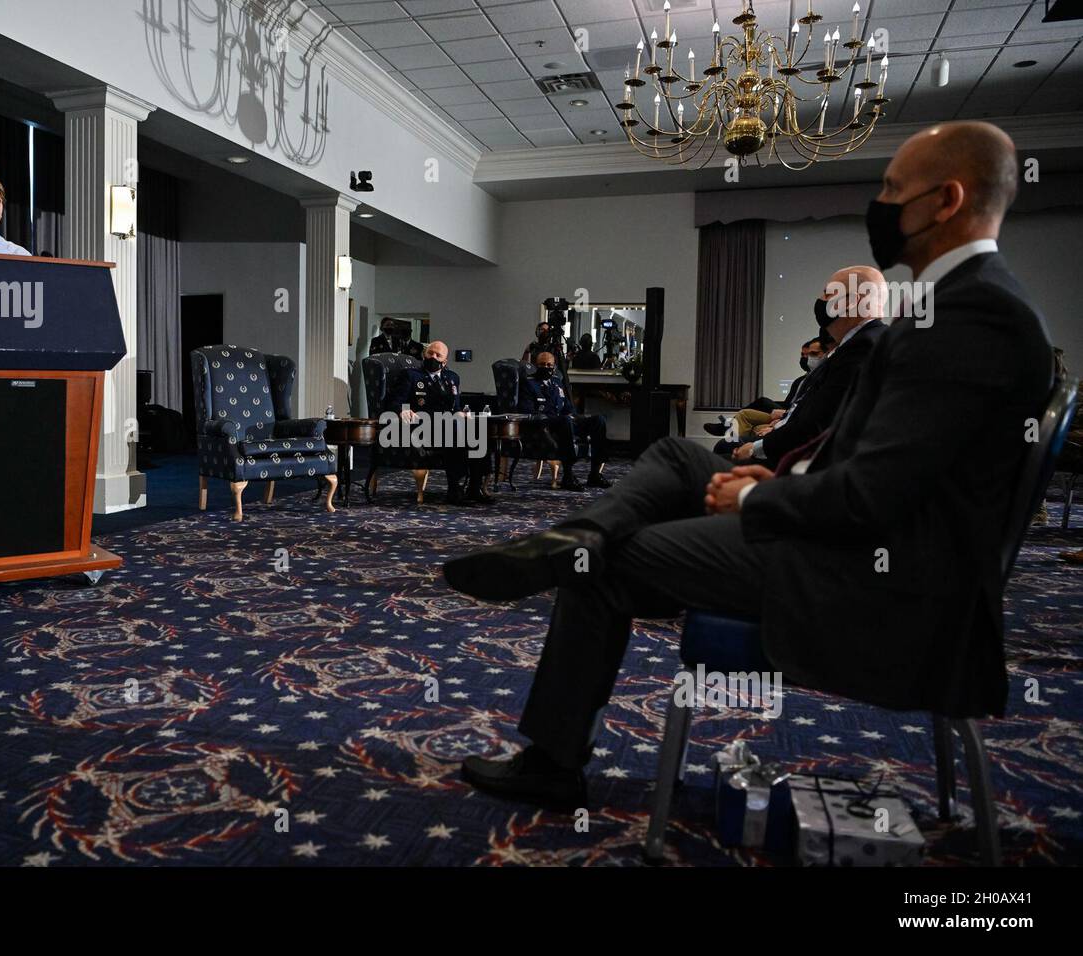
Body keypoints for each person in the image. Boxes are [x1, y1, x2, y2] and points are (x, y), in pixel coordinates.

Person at [443, 121, 1052, 810]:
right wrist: (778, 479)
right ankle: (576, 536)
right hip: (856, 545)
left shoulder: (973, 315)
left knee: (605, 563)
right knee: (672, 458)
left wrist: (757, 502)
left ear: (946, 199)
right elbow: (886, 466)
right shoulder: (964, 303)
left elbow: (877, 497)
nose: (879, 203)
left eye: (891, 188)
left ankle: (554, 747)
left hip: (878, 582)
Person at [729, 267, 888, 464]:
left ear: (849, 302)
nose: (820, 300)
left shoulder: (862, 348)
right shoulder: (860, 343)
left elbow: (817, 423)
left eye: (827, 293)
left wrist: (755, 449)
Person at [385, 340, 493, 506]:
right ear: (424, 354)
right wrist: (402, 410)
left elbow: (455, 407)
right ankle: (454, 490)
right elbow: (393, 402)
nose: (433, 357)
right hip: (421, 426)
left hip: (447, 424)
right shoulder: (411, 375)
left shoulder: (452, 378)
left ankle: (475, 487)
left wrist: (461, 414)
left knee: (479, 430)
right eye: (430, 353)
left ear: (445, 361)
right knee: (456, 431)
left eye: (438, 355)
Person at [519, 352, 611, 491]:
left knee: (599, 420)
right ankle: (568, 476)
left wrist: (574, 417)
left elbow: (567, 407)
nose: (546, 367)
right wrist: (562, 418)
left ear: (554, 366)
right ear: (536, 366)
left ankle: (595, 474)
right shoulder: (529, 383)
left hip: (565, 421)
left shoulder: (556, 382)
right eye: (542, 364)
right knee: (565, 421)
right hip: (547, 425)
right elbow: (528, 411)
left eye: (549, 365)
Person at [704, 337, 827, 437]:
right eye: (803, 355)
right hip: (787, 409)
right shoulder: (799, 380)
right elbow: (788, 402)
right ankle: (731, 430)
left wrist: (784, 415)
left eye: (811, 355)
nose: (806, 359)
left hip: (793, 414)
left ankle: (727, 427)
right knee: (748, 412)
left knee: (763, 402)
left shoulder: (818, 379)